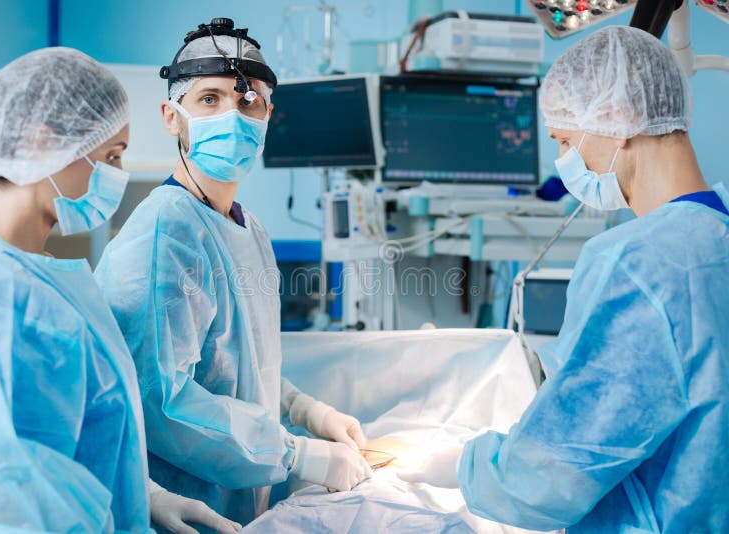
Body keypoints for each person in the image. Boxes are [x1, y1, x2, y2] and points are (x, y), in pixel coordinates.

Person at [399, 26, 729, 533]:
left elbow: (549, 476)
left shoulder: (640, 265)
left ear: (619, 117)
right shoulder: (715, 238)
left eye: (567, 141)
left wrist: (458, 465)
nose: (566, 163)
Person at [0, 47, 240, 534]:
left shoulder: (52, 279)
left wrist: (145, 495)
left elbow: (80, 442)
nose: (118, 173)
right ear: (39, 144)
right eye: (111, 155)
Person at [95, 18, 372, 527]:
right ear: (170, 116)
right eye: (209, 99)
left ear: (269, 116)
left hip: (246, 499)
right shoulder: (166, 229)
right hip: (187, 503)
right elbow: (161, 402)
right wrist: (295, 454)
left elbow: (242, 367)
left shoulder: (250, 229)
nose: (232, 115)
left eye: (249, 102)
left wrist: (306, 410)